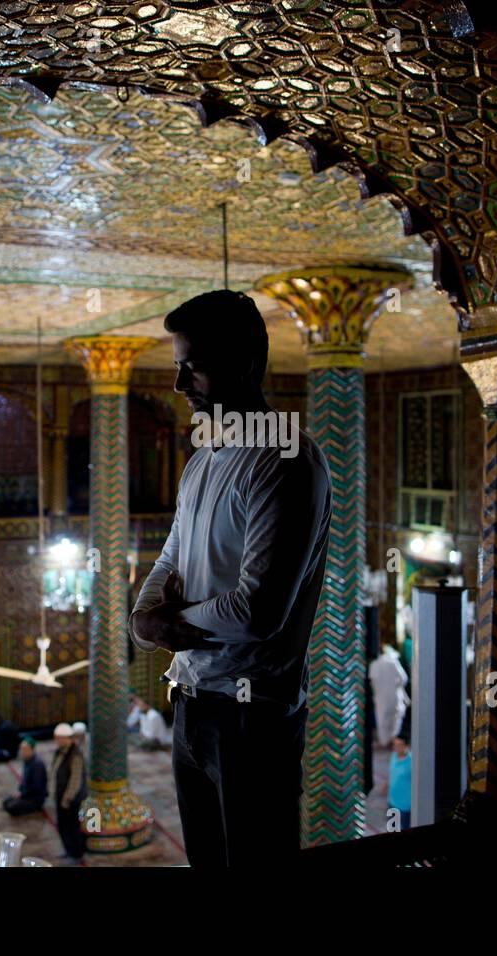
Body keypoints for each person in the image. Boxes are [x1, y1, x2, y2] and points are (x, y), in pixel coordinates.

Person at [130, 290, 332, 867]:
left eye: (192, 368)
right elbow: (171, 557)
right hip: (193, 703)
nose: (179, 386)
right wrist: (146, 618)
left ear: (244, 365)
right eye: (178, 368)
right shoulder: (203, 460)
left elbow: (256, 611)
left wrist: (167, 622)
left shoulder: (285, 460)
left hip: (251, 717)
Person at [48, 723, 87, 864]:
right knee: (63, 825)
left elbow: (75, 781)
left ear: (66, 738)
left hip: (70, 800)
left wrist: (67, 798)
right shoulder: (60, 751)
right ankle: (68, 850)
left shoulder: (75, 755)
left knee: (72, 826)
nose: (56, 740)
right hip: (60, 797)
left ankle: (76, 854)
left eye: (58, 738)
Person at [369, 644, 410, 749]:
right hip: (394, 698)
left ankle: (385, 742)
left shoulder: (374, 664)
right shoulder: (394, 663)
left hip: (380, 698)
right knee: (395, 720)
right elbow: (404, 678)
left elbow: (371, 681)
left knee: (382, 721)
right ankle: (393, 741)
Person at [3, 735, 48, 816]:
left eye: (24, 749)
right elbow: (24, 780)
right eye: (21, 749)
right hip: (26, 793)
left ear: (32, 749)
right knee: (5, 802)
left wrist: (22, 794)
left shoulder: (37, 764)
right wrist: (19, 790)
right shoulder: (27, 760)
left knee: (10, 807)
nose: (22, 751)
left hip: (34, 798)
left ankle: (36, 808)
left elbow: (36, 787)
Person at [387, 734, 411, 830]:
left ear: (406, 746)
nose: (396, 748)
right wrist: (387, 784)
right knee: (392, 829)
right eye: (394, 745)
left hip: (405, 806)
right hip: (392, 802)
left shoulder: (412, 762)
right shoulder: (393, 756)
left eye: (399, 745)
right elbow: (393, 773)